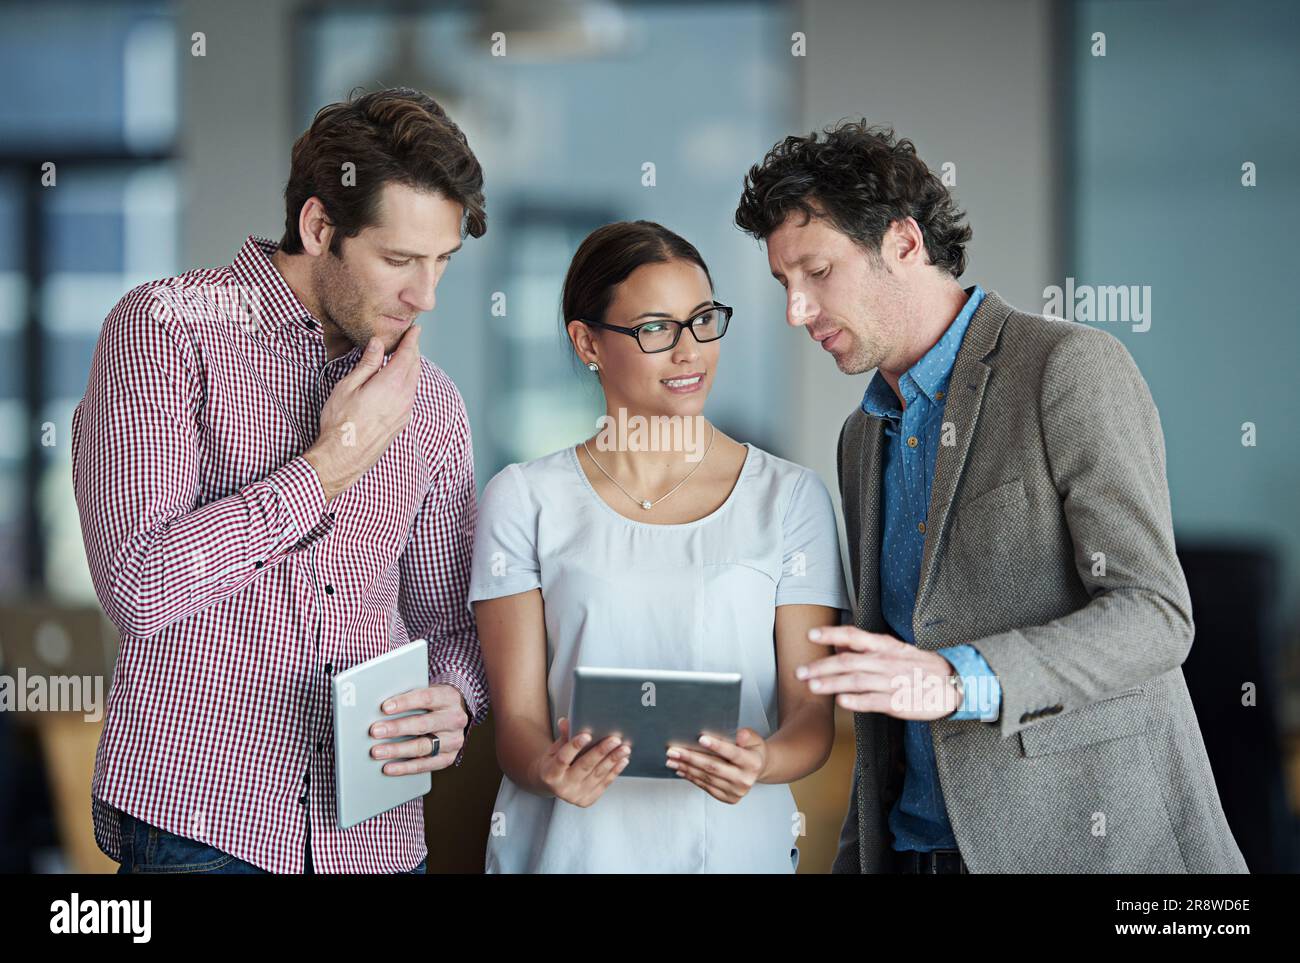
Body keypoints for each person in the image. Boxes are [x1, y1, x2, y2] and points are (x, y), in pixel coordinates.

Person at [734, 120, 1249, 873]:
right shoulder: (860, 437)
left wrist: (954, 678)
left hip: (1089, 849)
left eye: (816, 272)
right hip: (915, 850)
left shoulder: (1066, 368)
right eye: (784, 283)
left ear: (904, 244)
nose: (796, 310)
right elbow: (887, 711)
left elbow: (1155, 615)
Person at [71, 87, 488, 874]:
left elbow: (452, 622)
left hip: (376, 842)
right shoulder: (166, 330)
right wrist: (328, 466)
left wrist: (457, 696)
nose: (425, 295)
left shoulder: (431, 402)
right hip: (204, 828)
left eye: (442, 262)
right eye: (399, 260)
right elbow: (139, 584)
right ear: (319, 225)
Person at [467, 220, 852, 872]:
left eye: (703, 320)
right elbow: (516, 728)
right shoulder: (524, 498)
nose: (689, 351)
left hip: (735, 849)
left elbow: (810, 718)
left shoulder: (790, 498)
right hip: (570, 850)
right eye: (655, 329)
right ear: (588, 341)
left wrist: (764, 759)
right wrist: (546, 766)